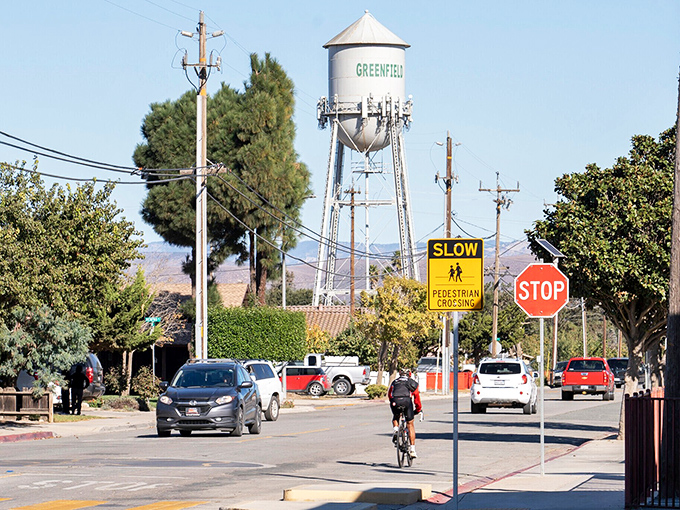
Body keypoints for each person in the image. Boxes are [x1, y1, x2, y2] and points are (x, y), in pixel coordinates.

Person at [388, 369, 422, 458]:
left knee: (396, 417)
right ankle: (412, 450)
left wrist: (393, 403)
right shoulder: (412, 383)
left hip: (395, 401)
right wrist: (418, 409)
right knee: (410, 424)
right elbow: (416, 397)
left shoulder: (395, 382)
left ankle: (396, 430)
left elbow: (390, 394)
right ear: (409, 375)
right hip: (407, 401)